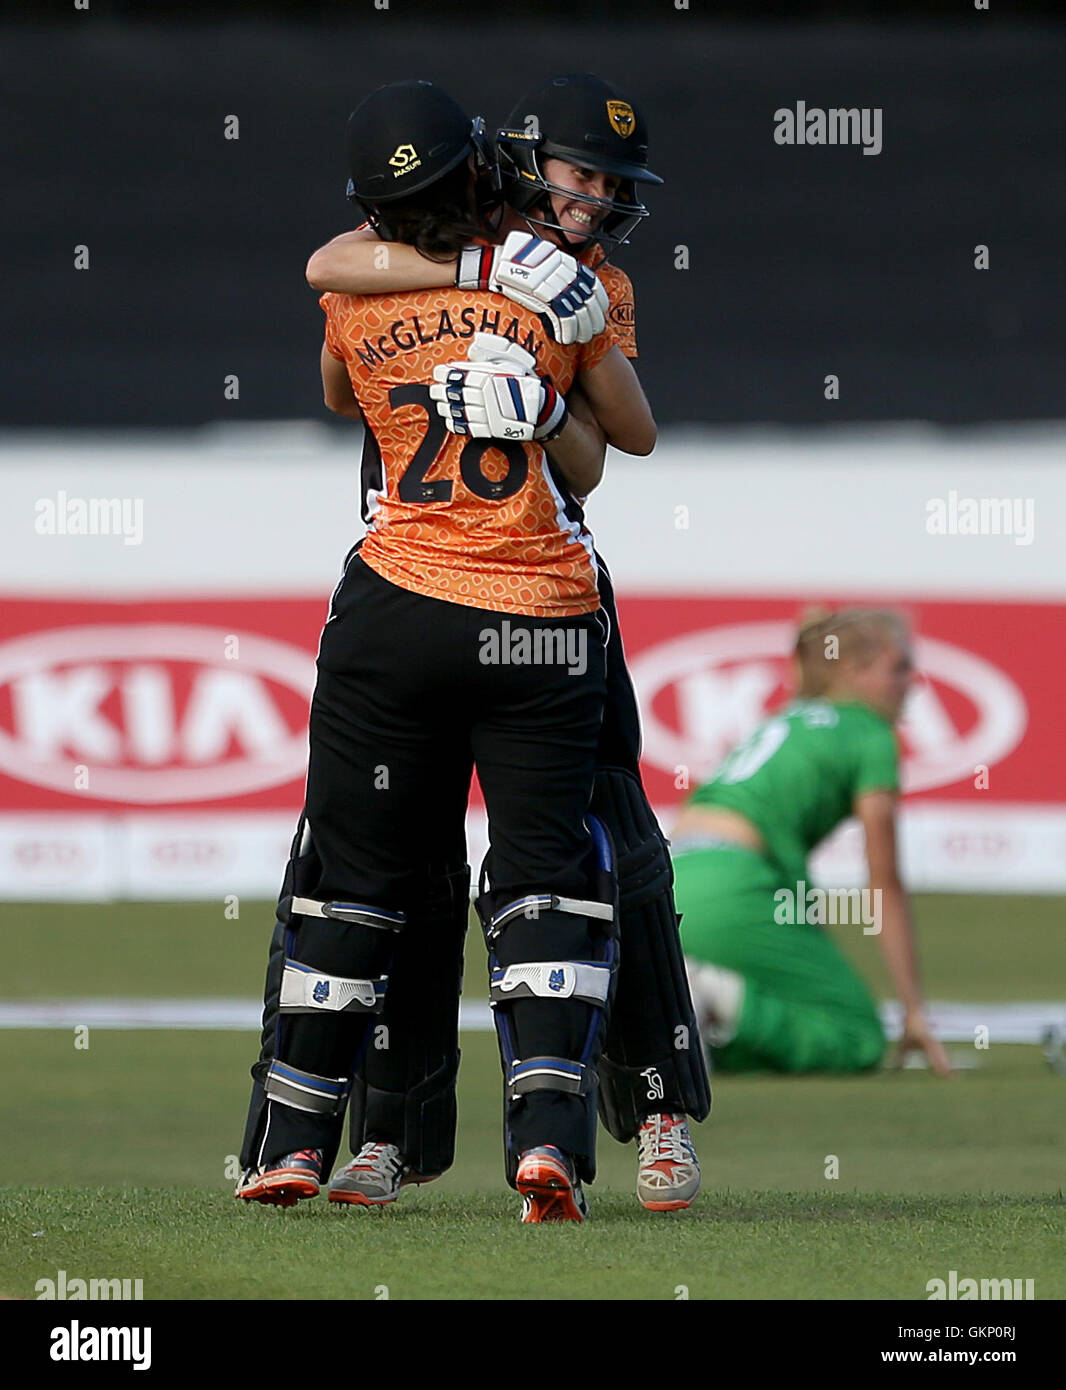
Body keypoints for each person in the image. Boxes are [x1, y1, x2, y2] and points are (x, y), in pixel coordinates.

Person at [304, 73, 710, 1213]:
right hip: (414, 588)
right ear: (530, 162)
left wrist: (539, 403)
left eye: (617, 187)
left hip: (548, 595)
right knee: (401, 869)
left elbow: (599, 460)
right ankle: (386, 1133)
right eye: (587, 178)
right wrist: (486, 271)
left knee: (605, 855)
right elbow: (329, 265)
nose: (601, 204)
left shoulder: (594, 286)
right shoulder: (434, 238)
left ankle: (659, 1112)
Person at [236, 79, 627, 1224]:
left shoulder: (357, 288)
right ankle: (547, 1141)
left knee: (352, 880)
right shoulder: (565, 287)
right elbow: (623, 443)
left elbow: (332, 388)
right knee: (548, 874)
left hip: (396, 610)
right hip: (543, 619)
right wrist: (544, 375)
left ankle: (298, 1139)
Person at [672, 608, 953, 1077]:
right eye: (898, 667)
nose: (913, 681)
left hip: (673, 876)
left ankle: (683, 1023)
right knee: (857, 1036)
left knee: (791, 1001)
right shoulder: (870, 733)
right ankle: (715, 1003)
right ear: (854, 671)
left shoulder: (784, 720)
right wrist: (913, 1010)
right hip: (736, 885)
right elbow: (884, 881)